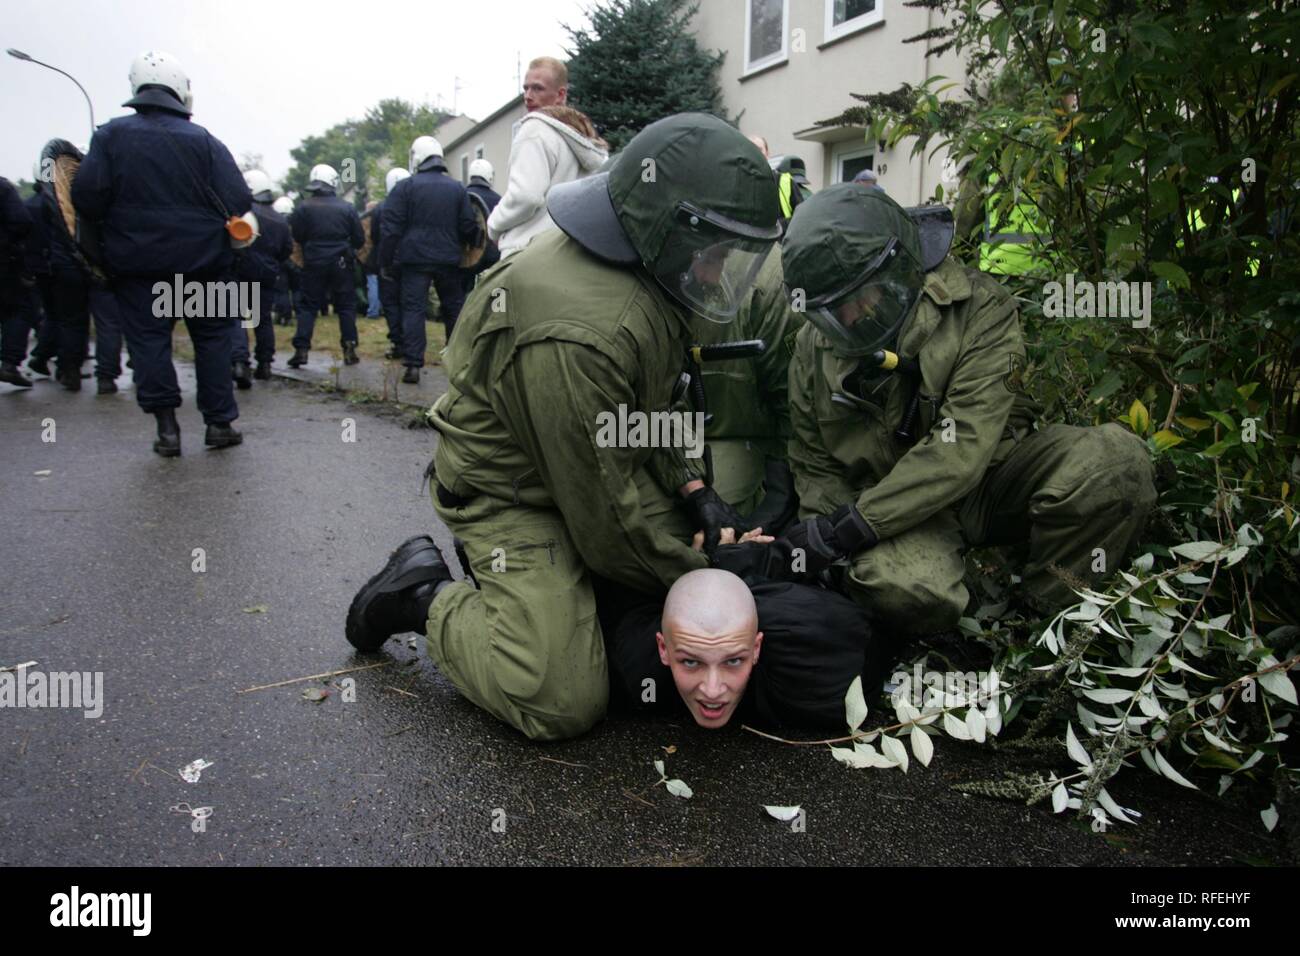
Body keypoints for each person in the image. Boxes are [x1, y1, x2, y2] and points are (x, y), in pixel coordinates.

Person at [345, 113, 782, 741]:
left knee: (709, 542)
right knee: (560, 697)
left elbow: (644, 414)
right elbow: (602, 516)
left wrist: (694, 491)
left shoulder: (649, 268)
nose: (717, 274)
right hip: (511, 492)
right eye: (714, 254)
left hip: (585, 462)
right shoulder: (583, 331)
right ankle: (421, 595)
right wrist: (706, 583)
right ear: (670, 232)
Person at [719, 185, 1158, 637]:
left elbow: (961, 448)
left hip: (991, 482)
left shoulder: (981, 309)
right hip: (891, 510)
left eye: (856, 297)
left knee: (1115, 465)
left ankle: (1040, 625)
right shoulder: (813, 347)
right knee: (904, 590)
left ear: (895, 268)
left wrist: (848, 529)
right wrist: (825, 541)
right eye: (829, 308)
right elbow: (814, 464)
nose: (846, 319)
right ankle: (963, 597)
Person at [72, 51, 252, 455]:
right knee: (212, 341)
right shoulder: (204, 140)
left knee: (150, 343)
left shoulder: (110, 136)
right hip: (204, 265)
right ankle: (220, 424)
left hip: (140, 269)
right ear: (181, 92)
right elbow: (238, 198)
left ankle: (167, 429)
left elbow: (87, 196)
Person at [603, 562, 898, 731]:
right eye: (691, 662)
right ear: (663, 649)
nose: (713, 690)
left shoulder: (824, 685)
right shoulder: (633, 671)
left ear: (756, 648)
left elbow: (880, 635)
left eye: (733, 661)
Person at [380, 136, 479, 382]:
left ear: (417, 158)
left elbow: (390, 229)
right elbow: (468, 225)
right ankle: (457, 360)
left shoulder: (405, 187)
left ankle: (413, 364)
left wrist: (384, 262)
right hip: (448, 259)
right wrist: (475, 248)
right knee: (452, 308)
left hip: (414, 260)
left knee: (413, 309)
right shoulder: (457, 188)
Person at [486, 105, 608, 258]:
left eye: (537, 88)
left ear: (560, 93)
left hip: (526, 253)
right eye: (527, 88)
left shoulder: (534, 130)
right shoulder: (591, 152)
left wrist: (494, 226)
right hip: (575, 257)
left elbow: (525, 197)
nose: (528, 96)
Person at [287, 163, 364, 369]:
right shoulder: (347, 207)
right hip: (341, 261)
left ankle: (301, 349)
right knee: (346, 306)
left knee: (308, 306)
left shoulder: (303, 207)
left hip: (314, 261)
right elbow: (359, 238)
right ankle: (349, 347)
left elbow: (297, 236)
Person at [231, 169, 292, 384]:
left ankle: (240, 362)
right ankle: (265, 364)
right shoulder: (279, 219)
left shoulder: (244, 213)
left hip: (240, 271)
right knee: (262, 319)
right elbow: (287, 250)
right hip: (266, 275)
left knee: (237, 317)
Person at [369, 167, 408, 360]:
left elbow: (376, 236)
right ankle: (409, 342)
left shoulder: (380, 208)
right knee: (410, 303)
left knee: (391, 304)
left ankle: (397, 341)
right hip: (410, 260)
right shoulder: (414, 205)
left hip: (388, 261)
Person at [0, 176, 34, 388]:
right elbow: (22, 222)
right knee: (19, 310)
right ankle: (9, 364)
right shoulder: (3, 188)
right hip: (4, 262)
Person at [460, 158, 502, 299]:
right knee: (493, 295)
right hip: (491, 257)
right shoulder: (499, 200)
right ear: (489, 176)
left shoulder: (460, 195)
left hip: (464, 258)